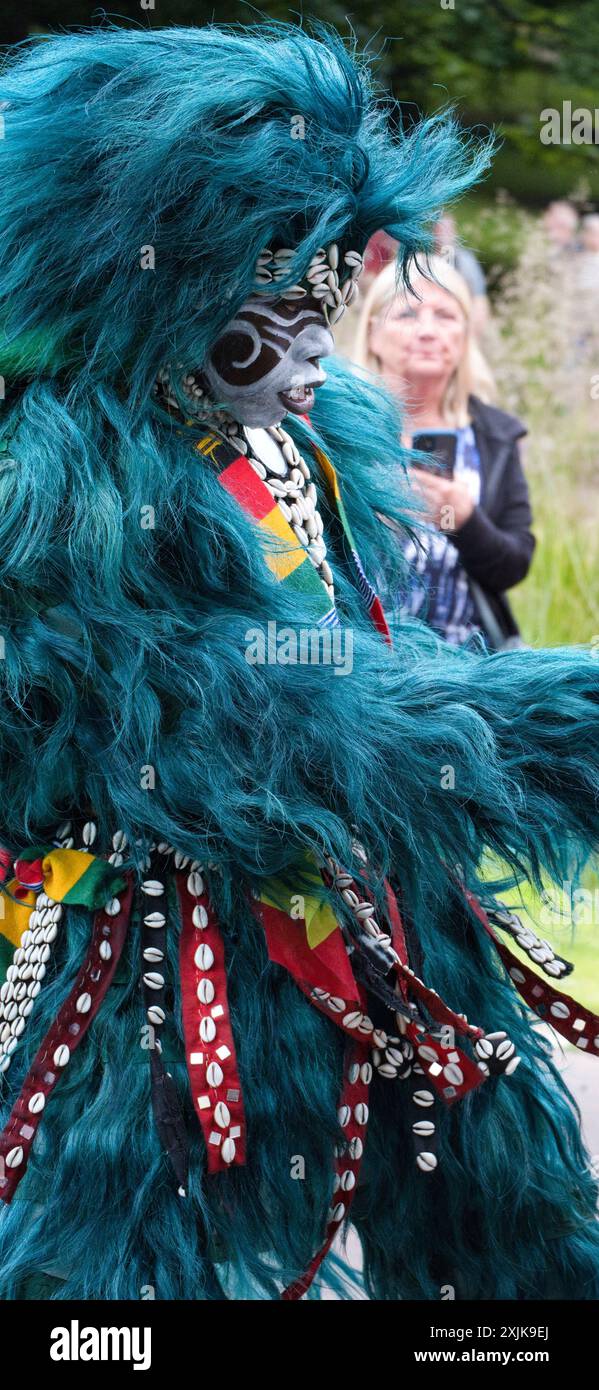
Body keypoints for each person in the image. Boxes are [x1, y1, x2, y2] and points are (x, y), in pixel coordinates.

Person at [1, 24, 599, 1305]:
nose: (325, 337)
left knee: (504, 1213)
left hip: (387, 910)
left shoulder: (303, 434)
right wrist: (557, 727)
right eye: (281, 303)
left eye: (331, 291)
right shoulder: (65, 486)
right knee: (115, 1268)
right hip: (163, 954)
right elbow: (243, 717)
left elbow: (354, 641)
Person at [353, 256, 534, 649]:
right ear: (371, 333)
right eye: (408, 314)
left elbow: (513, 566)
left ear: (465, 337)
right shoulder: (341, 432)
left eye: (446, 316)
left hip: (470, 658)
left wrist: (463, 519)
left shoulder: (495, 437)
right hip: (367, 658)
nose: (428, 330)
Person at [433, 213, 489, 336]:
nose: (445, 234)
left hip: (462, 317)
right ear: (434, 232)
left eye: (448, 230)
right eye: (441, 229)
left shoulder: (464, 260)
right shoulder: (426, 261)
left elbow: (479, 296)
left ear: (454, 232)